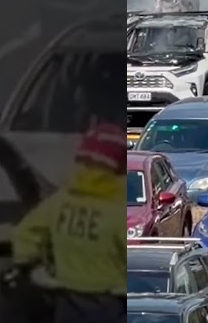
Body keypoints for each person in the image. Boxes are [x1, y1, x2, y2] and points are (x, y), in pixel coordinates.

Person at [12, 122, 127, 323]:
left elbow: (25, 234)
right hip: (109, 301)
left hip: (66, 298)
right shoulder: (119, 210)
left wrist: (28, 265)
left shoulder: (60, 201)